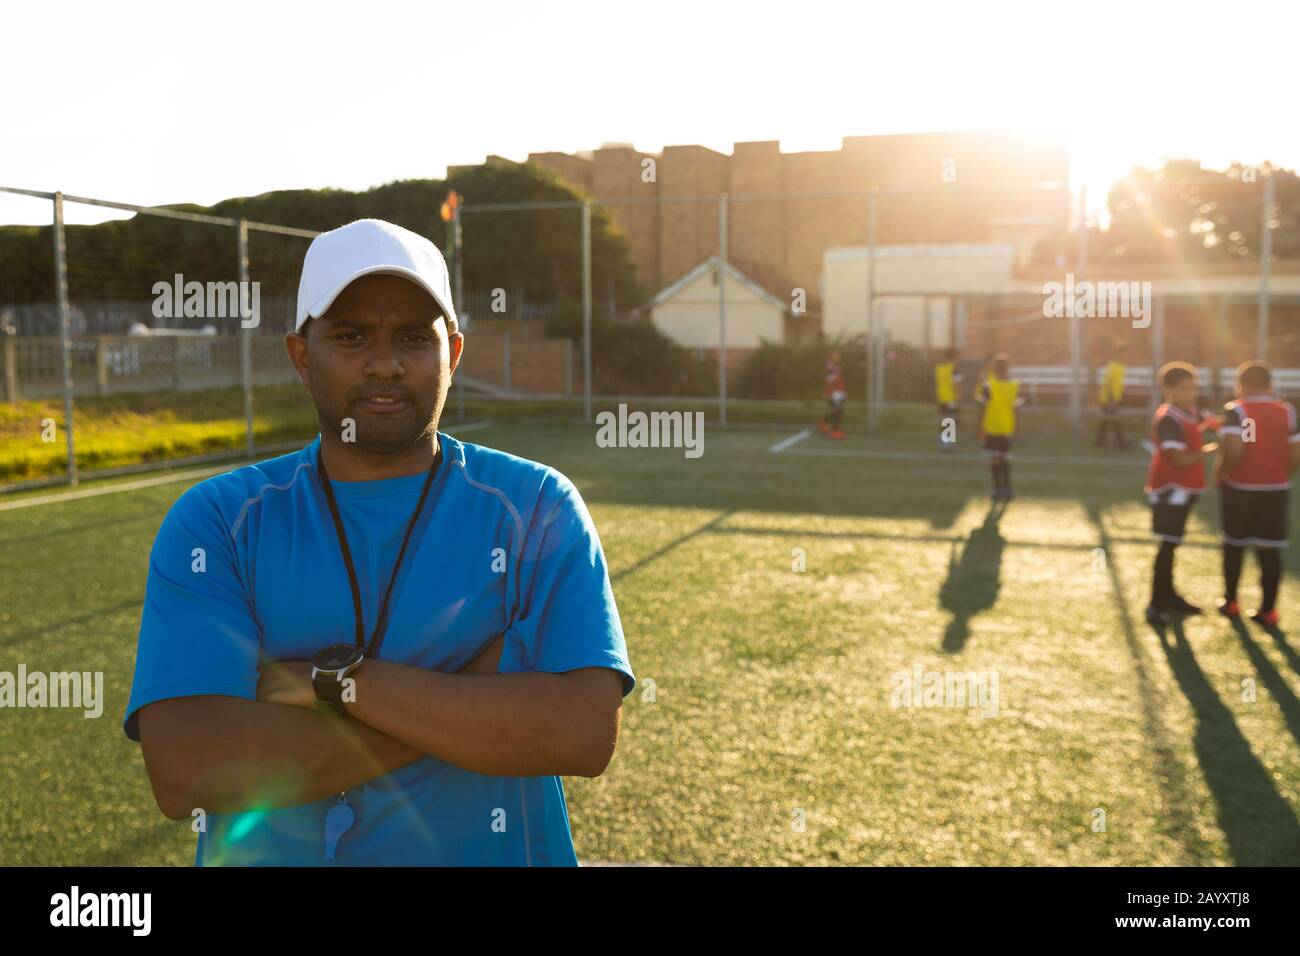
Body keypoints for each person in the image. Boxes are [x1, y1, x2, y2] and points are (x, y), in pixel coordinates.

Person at [123, 219, 635, 865]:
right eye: (351, 335)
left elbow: (580, 732)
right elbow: (190, 770)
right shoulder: (218, 520)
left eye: (413, 338)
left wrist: (330, 684)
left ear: (450, 354)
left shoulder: (534, 506)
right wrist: (468, 696)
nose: (386, 364)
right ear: (302, 354)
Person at [1214, 360, 1300, 627]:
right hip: (1275, 489)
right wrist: (1280, 474)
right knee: (1269, 548)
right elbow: (1295, 452)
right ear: (1270, 385)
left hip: (1241, 488)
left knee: (1235, 544)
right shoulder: (1287, 412)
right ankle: (1268, 610)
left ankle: (1231, 601)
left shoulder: (1238, 410)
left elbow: (1237, 450)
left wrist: (1222, 472)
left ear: (1241, 385)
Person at [1143, 362, 1219, 628]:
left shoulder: (1188, 412)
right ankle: (1154, 604)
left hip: (1187, 488)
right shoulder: (1168, 418)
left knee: (1173, 544)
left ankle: (1169, 595)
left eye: (1194, 388)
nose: (1192, 393)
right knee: (1166, 544)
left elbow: (1209, 422)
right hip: (1169, 490)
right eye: (1185, 389)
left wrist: (1237, 424)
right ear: (1169, 389)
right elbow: (1180, 459)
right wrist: (1214, 450)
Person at [976, 353, 1024, 504]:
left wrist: (979, 428)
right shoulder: (1015, 385)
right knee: (1003, 459)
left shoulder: (988, 385)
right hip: (1007, 428)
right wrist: (1016, 428)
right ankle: (1007, 489)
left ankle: (997, 490)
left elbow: (982, 408)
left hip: (991, 427)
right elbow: (1017, 408)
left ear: (993, 369)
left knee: (994, 460)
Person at [1095, 343, 1128, 448]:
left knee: (1106, 419)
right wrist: (1111, 400)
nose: (1124, 356)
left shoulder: (1120, 366)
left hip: (1114, 398)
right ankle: (1121, 443)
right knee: (1115, 419)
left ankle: (1099, 441)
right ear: (1118, 354)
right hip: (1109, 398)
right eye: (1122, 354)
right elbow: (1108, 384)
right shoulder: (1114, 366)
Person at [934, 348, 963, 450]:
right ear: (954, 357)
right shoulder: (954, 368)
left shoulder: (939, 367)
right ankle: (948, 445)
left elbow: (938, 383)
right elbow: (957, 385)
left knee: (944, 420)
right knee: (950, 421)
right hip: (951, 399)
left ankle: (943, 443)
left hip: (941, 398)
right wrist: (958, 400)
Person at [820, 349, 846, 440]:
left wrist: (843, 392)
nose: (838, 357)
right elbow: (829, 381)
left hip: (840, 391)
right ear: (831, 357)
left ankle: (824, 422)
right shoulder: (830, 366)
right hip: (835, 392)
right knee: (838, 411)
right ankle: (836, 432)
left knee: (837, 411)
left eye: (838, 355)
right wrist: (833, 393)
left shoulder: (837, 366)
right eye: (835, 355)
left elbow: (839, 379)